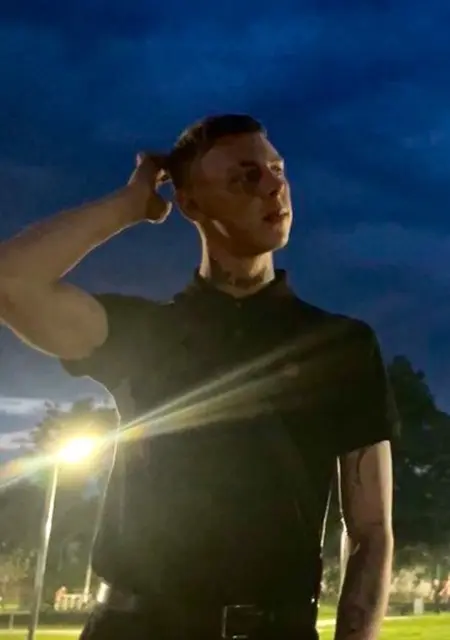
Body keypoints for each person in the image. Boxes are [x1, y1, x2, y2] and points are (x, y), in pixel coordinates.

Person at [0, 114, 398, 639]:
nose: (273, 186)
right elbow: (11, 282)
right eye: (245, 176)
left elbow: (371, 531)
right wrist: (129, 205)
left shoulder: (342, 345)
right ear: (190, 203)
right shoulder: (144, 332)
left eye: (277, 169)